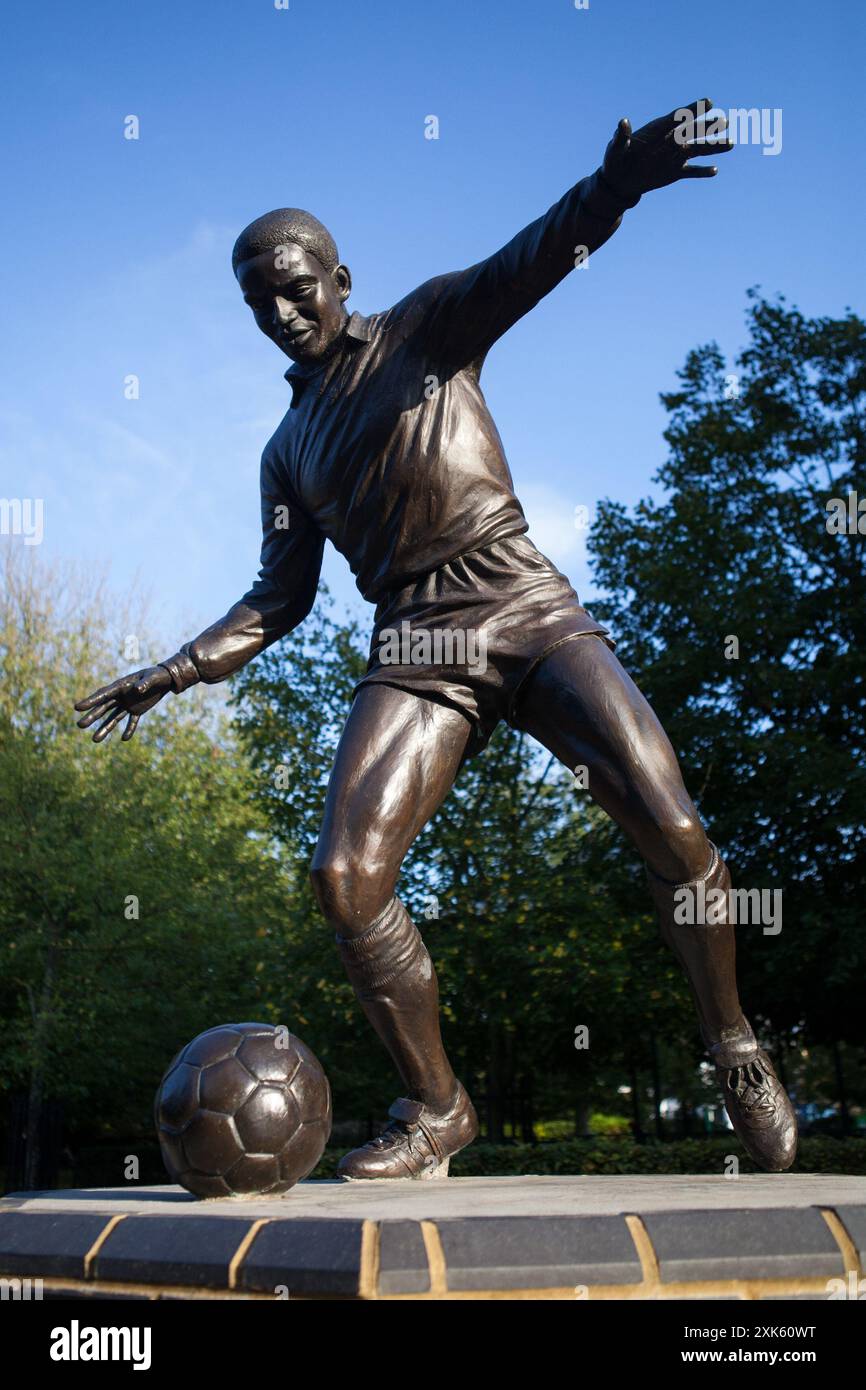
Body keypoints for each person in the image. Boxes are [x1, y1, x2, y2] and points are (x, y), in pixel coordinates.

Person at [75, 100, 798, 1177]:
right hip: (415, 644)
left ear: (339, 280)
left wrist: (616, 188)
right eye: (256, 297)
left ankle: (733, 1041)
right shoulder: (286, 451)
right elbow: (276, 600)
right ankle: (437, 1105)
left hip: (523, 603)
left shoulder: (423, 331)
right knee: (343, 874)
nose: (279, 308)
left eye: (294, 283)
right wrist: (172, 671)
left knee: (671, 824)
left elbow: (529, 262)